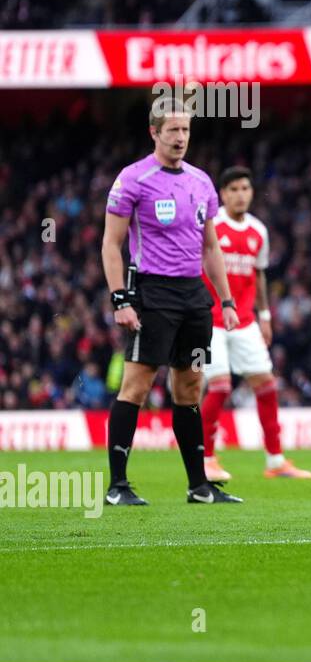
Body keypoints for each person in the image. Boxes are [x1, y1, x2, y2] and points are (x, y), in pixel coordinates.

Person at [101, 101, 242, 505]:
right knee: (137, 385)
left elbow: (211, 246)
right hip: (152, 293)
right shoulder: (133, 179)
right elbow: (111, 244)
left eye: (186, 130)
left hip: (194, 298)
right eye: (173, 130)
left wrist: (226, 300)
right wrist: (121, 299)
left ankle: (199, 486)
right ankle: (117, 486)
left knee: (190, 386)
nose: (180, 137)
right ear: (154, 133)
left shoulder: (201, 182)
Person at [200, 167, 311, 482]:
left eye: (245, 188)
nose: (240, 194)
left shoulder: (258, 231)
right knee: (220, 387)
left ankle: (275, 461)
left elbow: (259, 274)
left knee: (266, 386)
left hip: (246, 320)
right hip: (211, 320)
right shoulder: (211, 227)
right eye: (234, 188)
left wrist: (265, 316)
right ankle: (206, 459)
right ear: (223, 194)